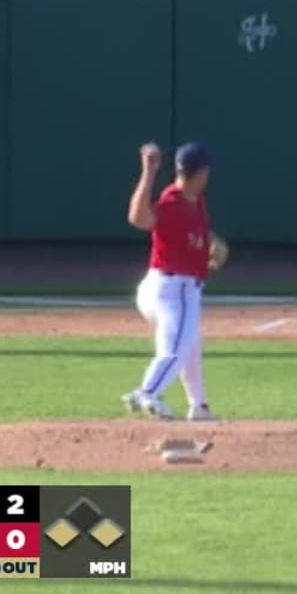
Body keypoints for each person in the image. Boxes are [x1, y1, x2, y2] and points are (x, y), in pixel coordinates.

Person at [122, 142, 223, 422]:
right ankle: (147, 392)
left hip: (171, 287)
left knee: (190, 346)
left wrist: (213, 243)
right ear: (201, 173)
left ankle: (199, 406)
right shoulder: (172, 201)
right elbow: (138, 218)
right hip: (172, 290)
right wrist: (148, 173)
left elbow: (197, 232)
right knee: (176, 350)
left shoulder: (195, 199)